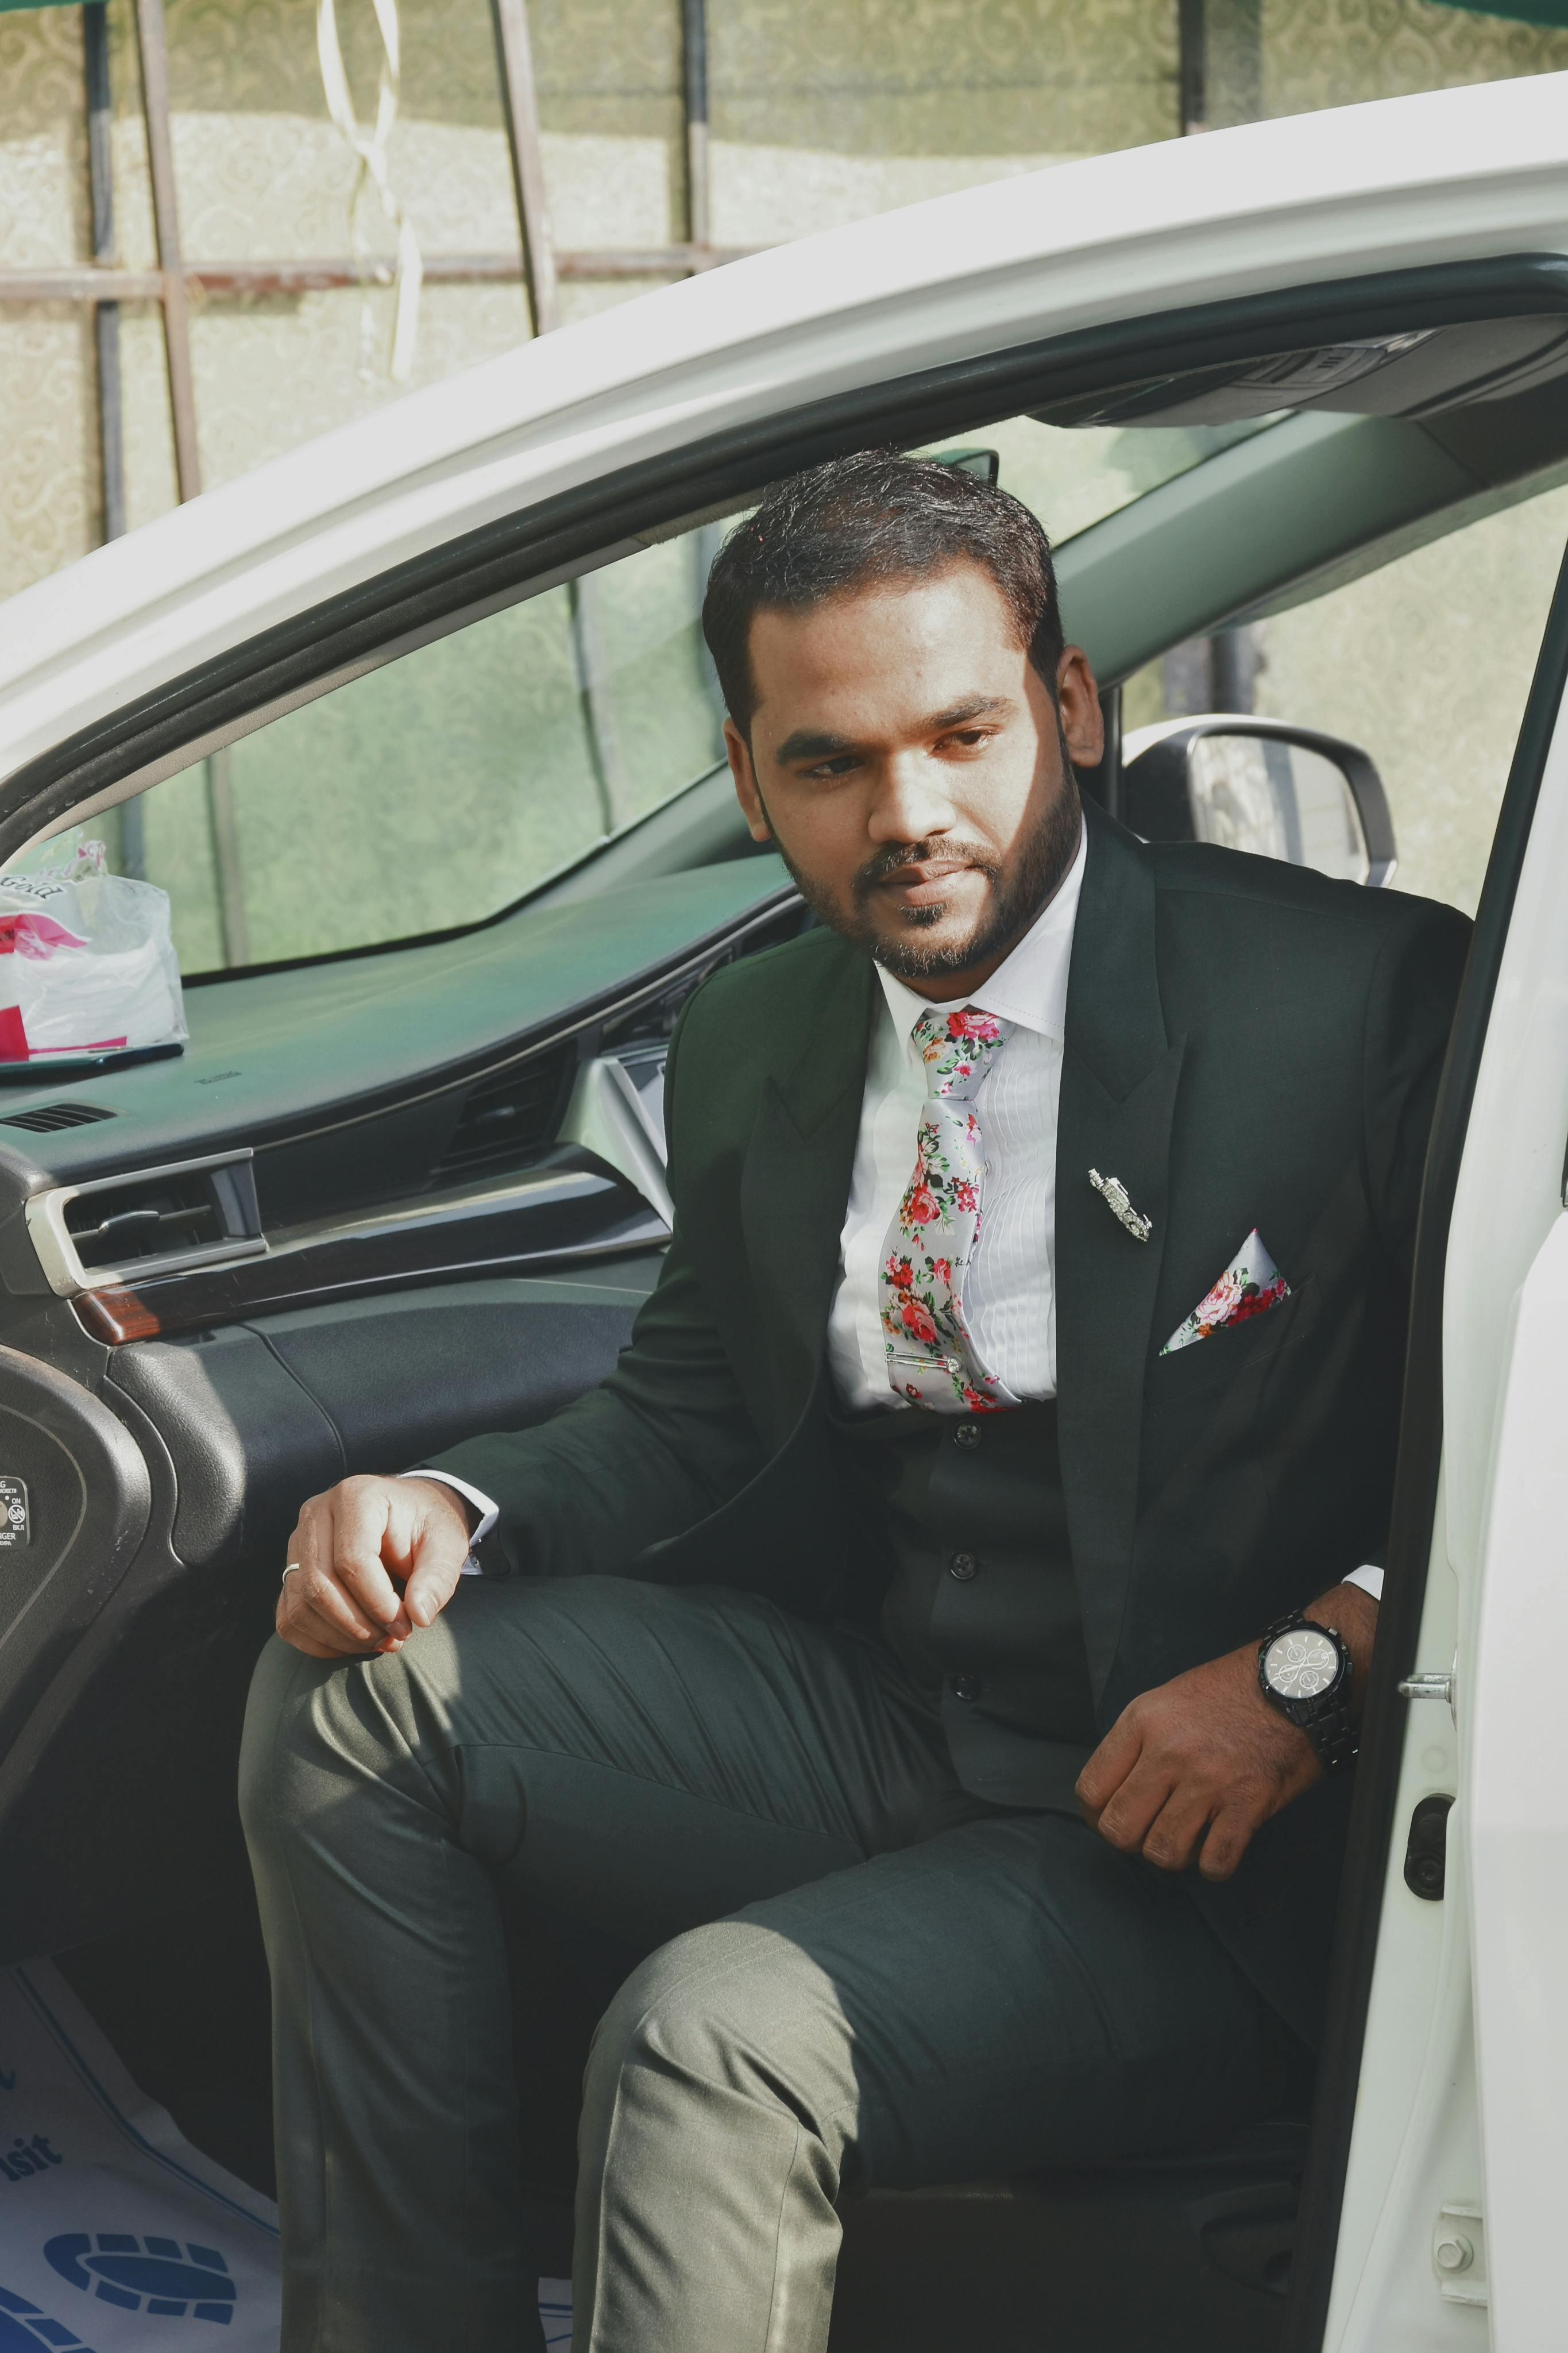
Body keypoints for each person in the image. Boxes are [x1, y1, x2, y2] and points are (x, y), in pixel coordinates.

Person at [239, 449, 1469, 2353]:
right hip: (898, 1721)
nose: (908, 815)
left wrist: (1316, 1666)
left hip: (1218, 1854)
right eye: (827, 763)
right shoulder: (756, 1034)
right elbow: (682, 1414)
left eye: (962, 733)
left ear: (1067, 706)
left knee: (711, 2036)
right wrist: (449, 1505)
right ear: (748, 781)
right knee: (359, 1696)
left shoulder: (1358, 1002)